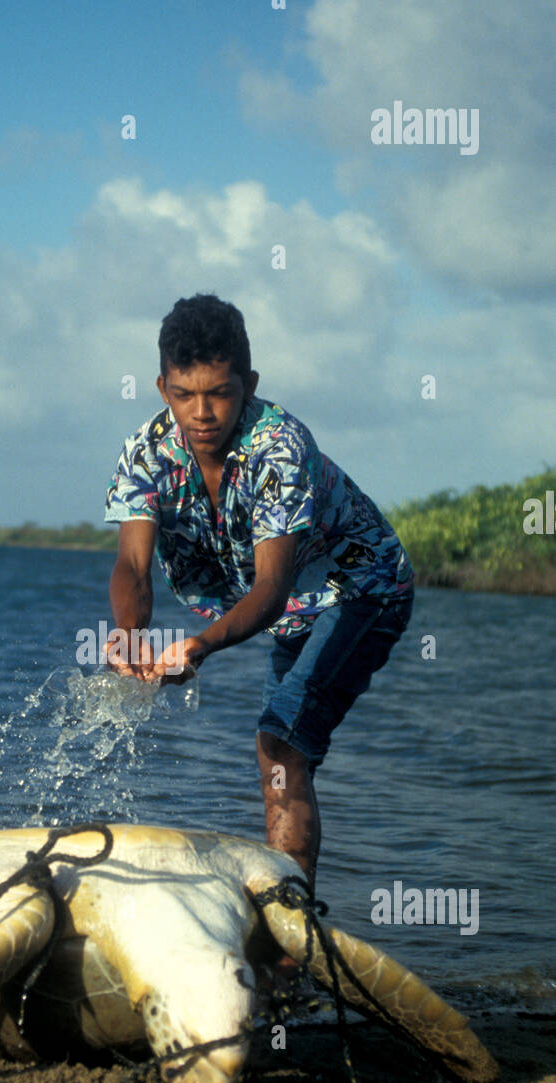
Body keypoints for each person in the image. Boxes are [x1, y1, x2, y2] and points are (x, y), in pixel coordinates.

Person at [103, 293, 414, 895]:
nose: (202, 413)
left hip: (362, 591)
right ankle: (288, 914)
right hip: (296, 614)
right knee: (281, 756)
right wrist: (129, 634)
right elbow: (132, 566)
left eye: (220, 392)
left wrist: (197, 646)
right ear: (162, 386)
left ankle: (290, 926)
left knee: (280, 746)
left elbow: (271, 587)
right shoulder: (144, 454)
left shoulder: (280, 448)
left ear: (248, 382)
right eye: (185, 394)